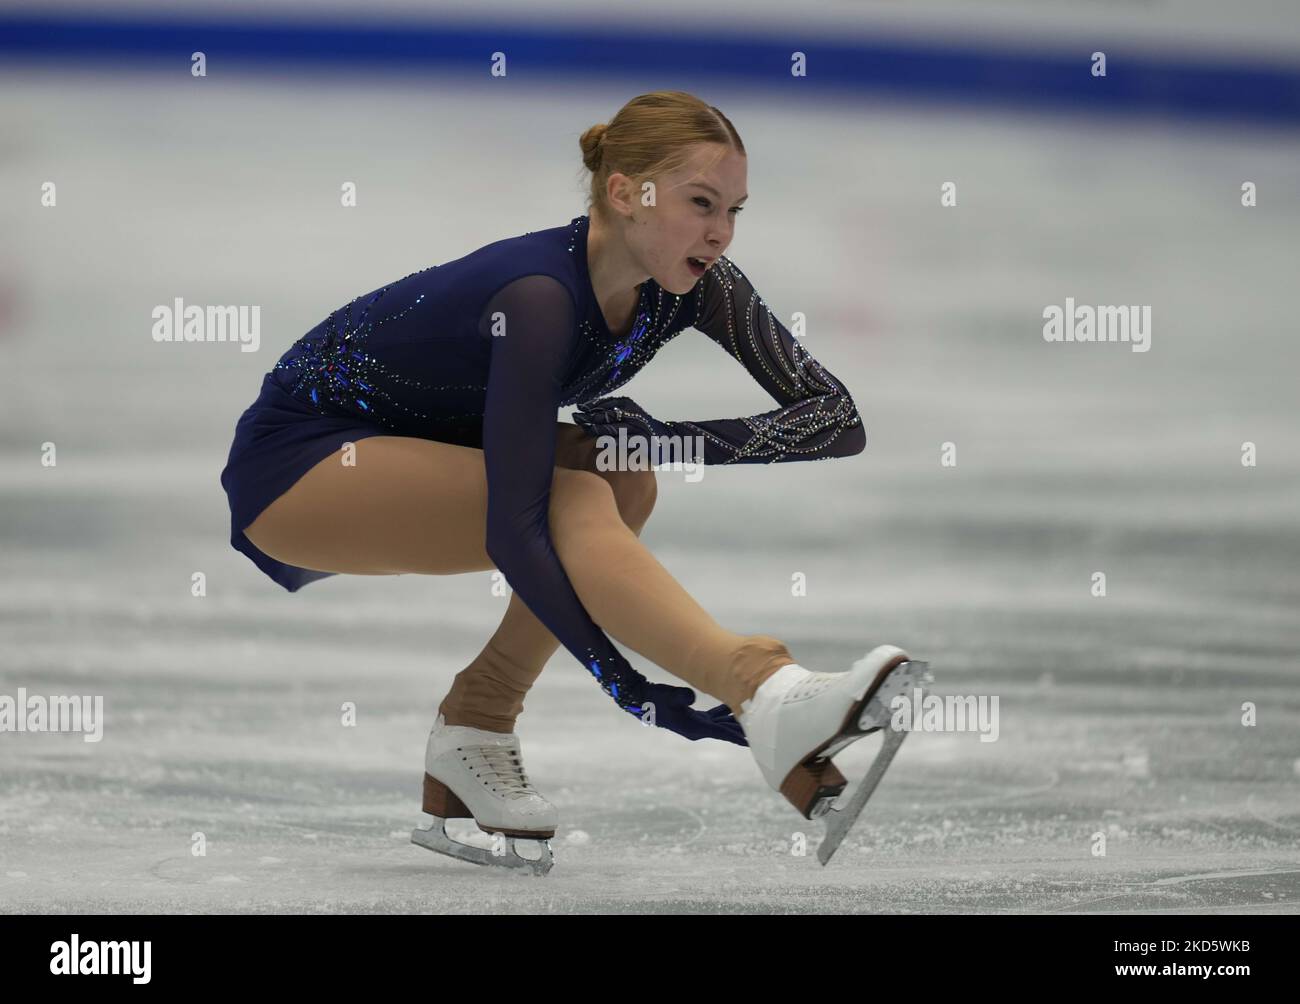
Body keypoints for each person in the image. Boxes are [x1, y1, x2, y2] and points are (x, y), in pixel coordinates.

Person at [219, 90, 918, 873]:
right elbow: (513, 528)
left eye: (733, 210)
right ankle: (759, 685)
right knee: (580, 492)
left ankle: (477, 725)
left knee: (623, 479)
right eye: (699, 203)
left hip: (412, 447)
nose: (719, 232)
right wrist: (628, 685)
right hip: (304, 466)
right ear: (624, 193)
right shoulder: (539, 298)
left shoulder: (700, 287)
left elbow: (835, 419)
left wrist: (667, 438)